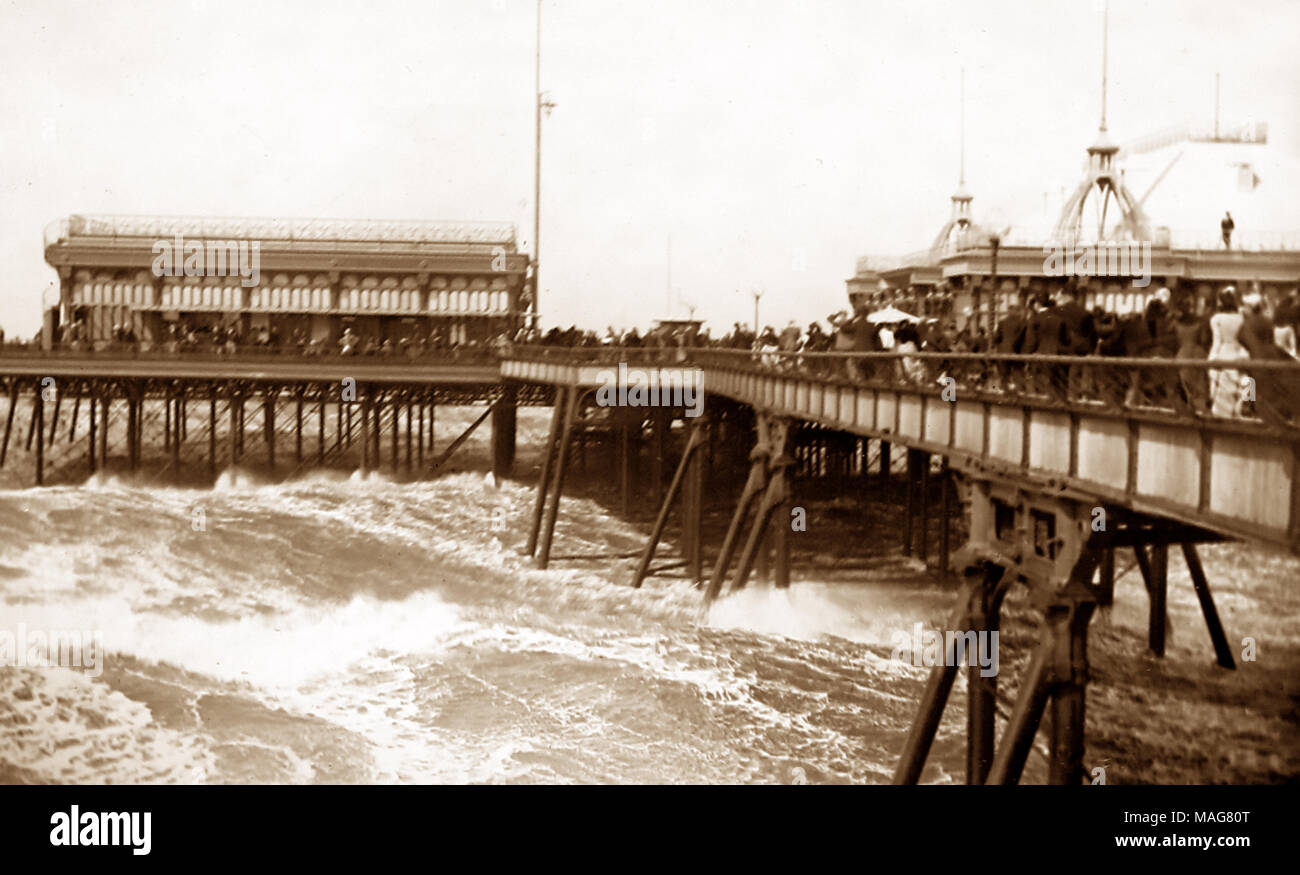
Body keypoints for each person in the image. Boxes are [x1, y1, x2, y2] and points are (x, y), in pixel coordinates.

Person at [1207, 288, 1247, 417]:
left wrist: (1212, 359)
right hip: (1238, 352)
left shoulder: (1216, 318)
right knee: (1244, 384)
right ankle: (1244, 408)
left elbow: (1217, 341)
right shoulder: (1241, 318)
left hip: (1223, 353)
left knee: (1220, 389)